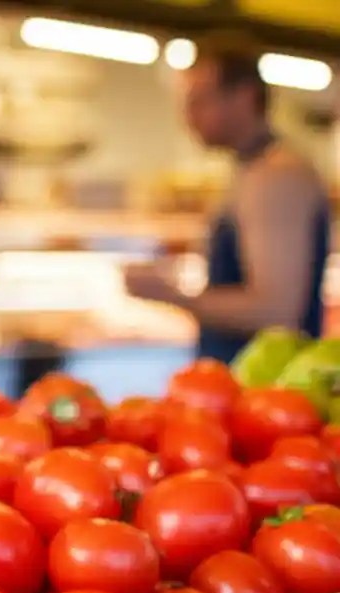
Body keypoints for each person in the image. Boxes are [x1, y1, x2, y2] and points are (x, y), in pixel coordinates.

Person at [125, 40, 331, 363]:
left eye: (199, 101)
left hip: (269, 392)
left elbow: (276, 312)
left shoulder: (275, 177)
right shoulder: (252, 171)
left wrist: (172, 295)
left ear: (244, 96)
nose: (188, 116)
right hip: (246, 387)